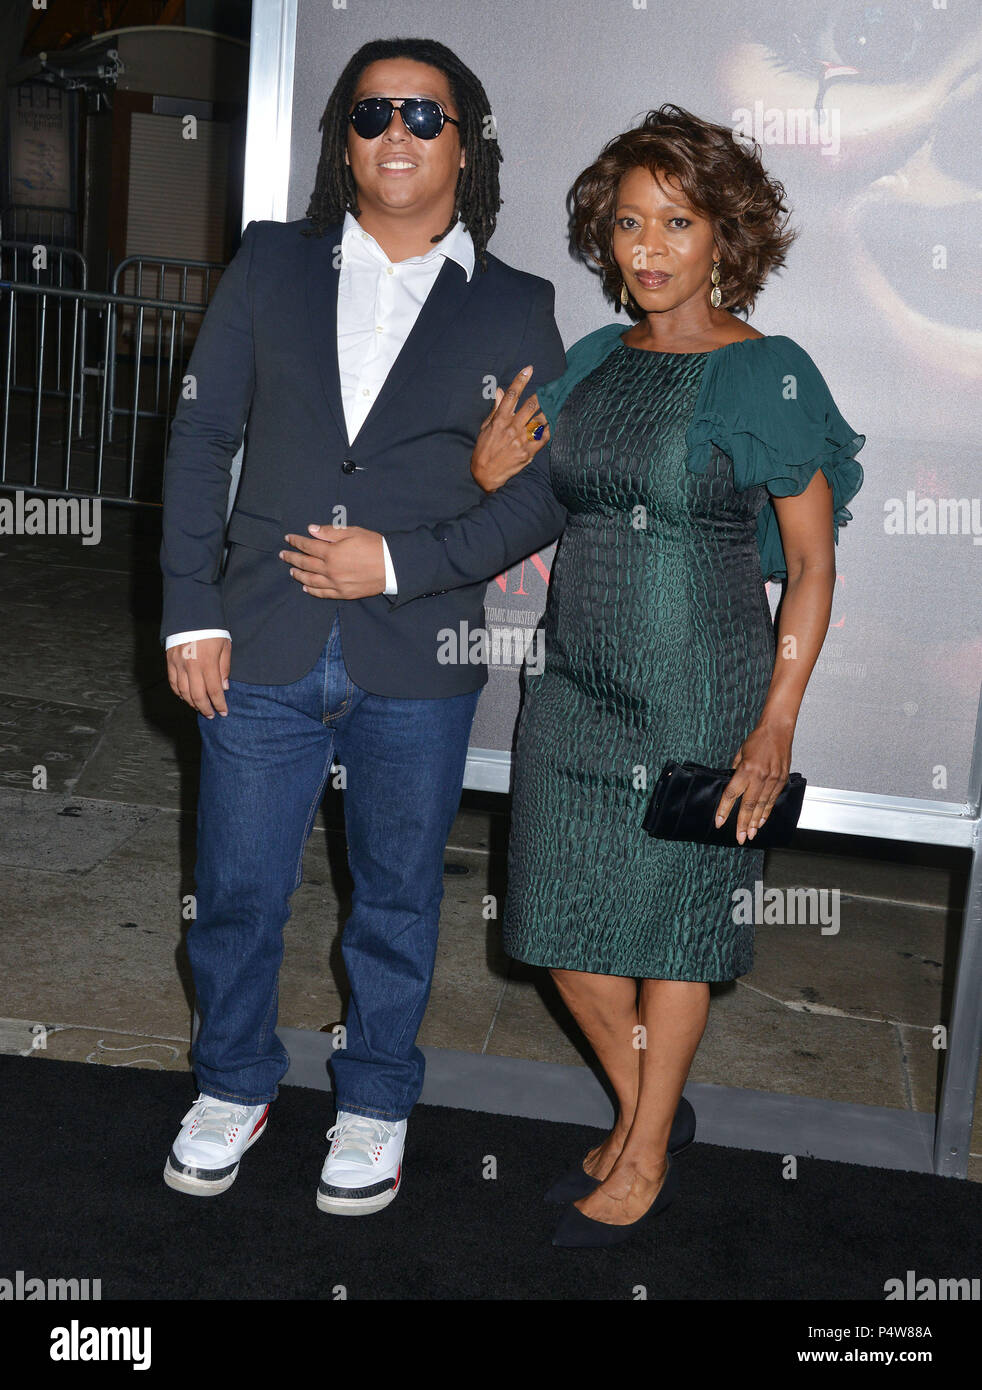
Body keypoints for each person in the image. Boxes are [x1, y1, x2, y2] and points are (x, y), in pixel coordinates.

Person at [159, 37, 568, 1213]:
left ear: (464, 143)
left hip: (419, 653)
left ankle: (376, 1096)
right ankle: (233, 1079)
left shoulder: (515, 305)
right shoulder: (272, 266)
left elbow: (543, 492)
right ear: (344, 139)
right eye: (373, 112)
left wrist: (396, 560)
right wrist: (189, 613)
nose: (398, 132)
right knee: (235, 887)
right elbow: (199, 441)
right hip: (257, 640)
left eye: (425, 115)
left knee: (394, 899)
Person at [471, 104, 865, 1247]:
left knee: (672, 932)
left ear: (723, 236)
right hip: (577, 678)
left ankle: (639, 1156)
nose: (647, 248)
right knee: (555, 927)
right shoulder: (594, 358)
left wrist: (775, 719)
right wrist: (489, 467)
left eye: (676, 222)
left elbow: (811, 562)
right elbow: (539, 500)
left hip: (701, 682)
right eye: (628, 223)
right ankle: (655, 1106)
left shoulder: (767, 373)